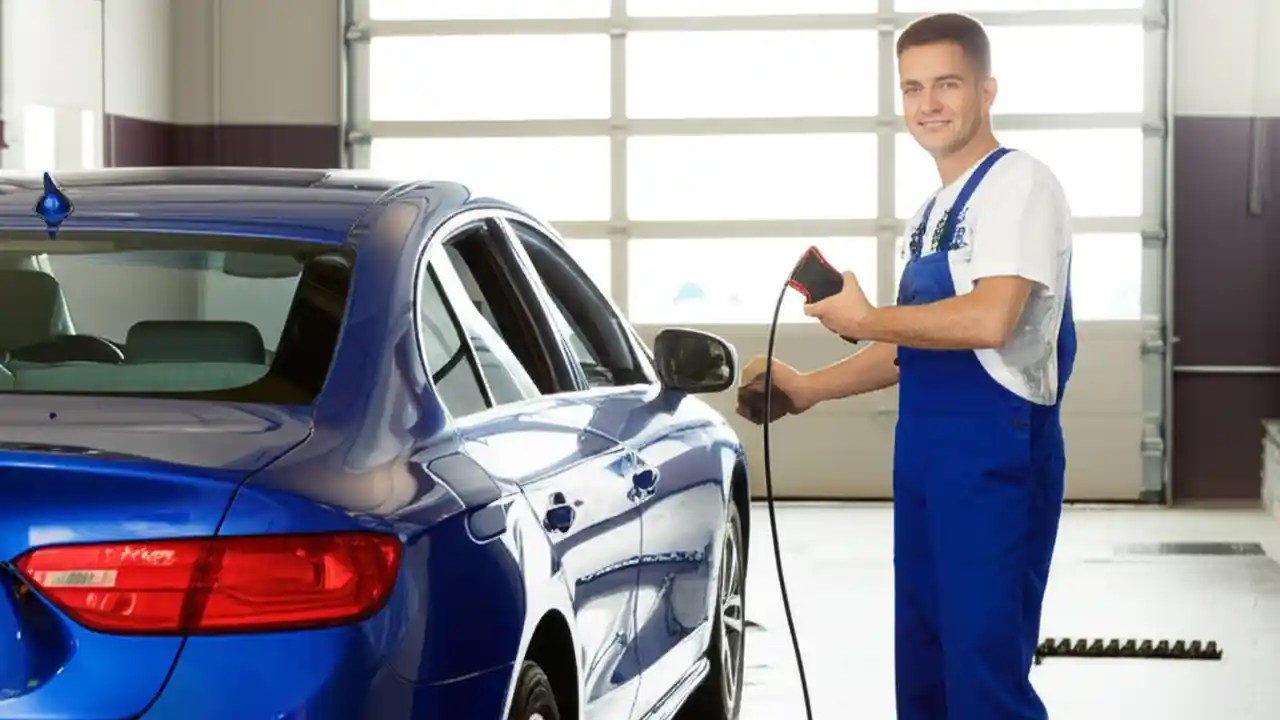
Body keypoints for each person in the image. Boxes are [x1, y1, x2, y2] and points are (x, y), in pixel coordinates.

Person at [737, 12, 1076, 720]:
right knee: (924, 666)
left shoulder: (1020, 184)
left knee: (983, 672)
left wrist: (865, 318)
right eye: (913, 88)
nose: (928, 104)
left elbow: (990, 319)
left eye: (947, 84)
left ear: (986, 91)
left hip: (994, 457)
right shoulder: (928, 216)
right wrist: (808, 388)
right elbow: (908, 346)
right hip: (924, 457)